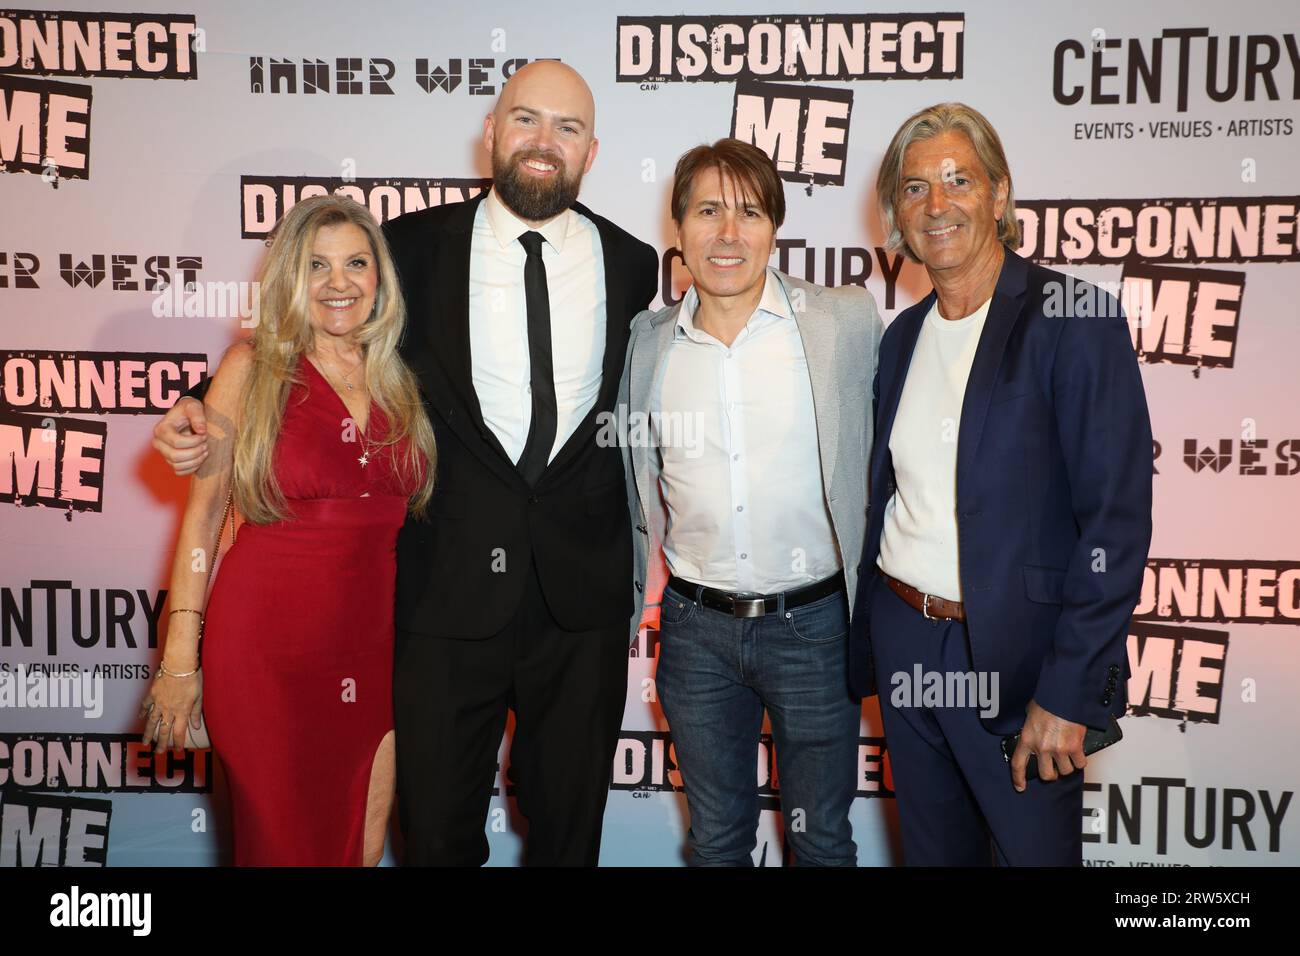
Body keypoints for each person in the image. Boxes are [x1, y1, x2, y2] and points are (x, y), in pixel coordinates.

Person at [152, 61, 658, 866]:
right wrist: (195, 412)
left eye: (567, 128)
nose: (542, 142)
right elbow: (304, 346)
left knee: (570, 839)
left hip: (579, 606)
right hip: (441, 600)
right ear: (490, 134)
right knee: (432, 839)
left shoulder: (637, 265)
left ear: (592, 152)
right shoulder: (410, 253)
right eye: (525, 119)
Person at [847, 102, 1153, 865]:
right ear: (896, 214)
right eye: (914, 189)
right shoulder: (903, 338)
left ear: (1001, 194)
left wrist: (1069, 690)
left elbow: (1114, 524)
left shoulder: (1073, 317)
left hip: (1020, 664)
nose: (937, 204)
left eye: (959, 180)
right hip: (904, 637)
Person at [141, 194, 436, 866]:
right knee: (279, 847)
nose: (339, 282)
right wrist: (181, 660)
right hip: (266, 656)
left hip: (376, 654)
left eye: (356, 263)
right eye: (316, 266)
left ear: (379, 279)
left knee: (356, 847)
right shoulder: (252, 370)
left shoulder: (402, 381)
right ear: (289, 280)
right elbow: (203, 520)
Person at [621, 139, 882, 865]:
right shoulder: (647, 345)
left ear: (775, 228)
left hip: (817, 629)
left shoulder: (843, 323)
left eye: (750, 212)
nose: (729, 233)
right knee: (716, 843)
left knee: (822, 841)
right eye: (708, 211)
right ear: (678, 228)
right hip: (696, 633)